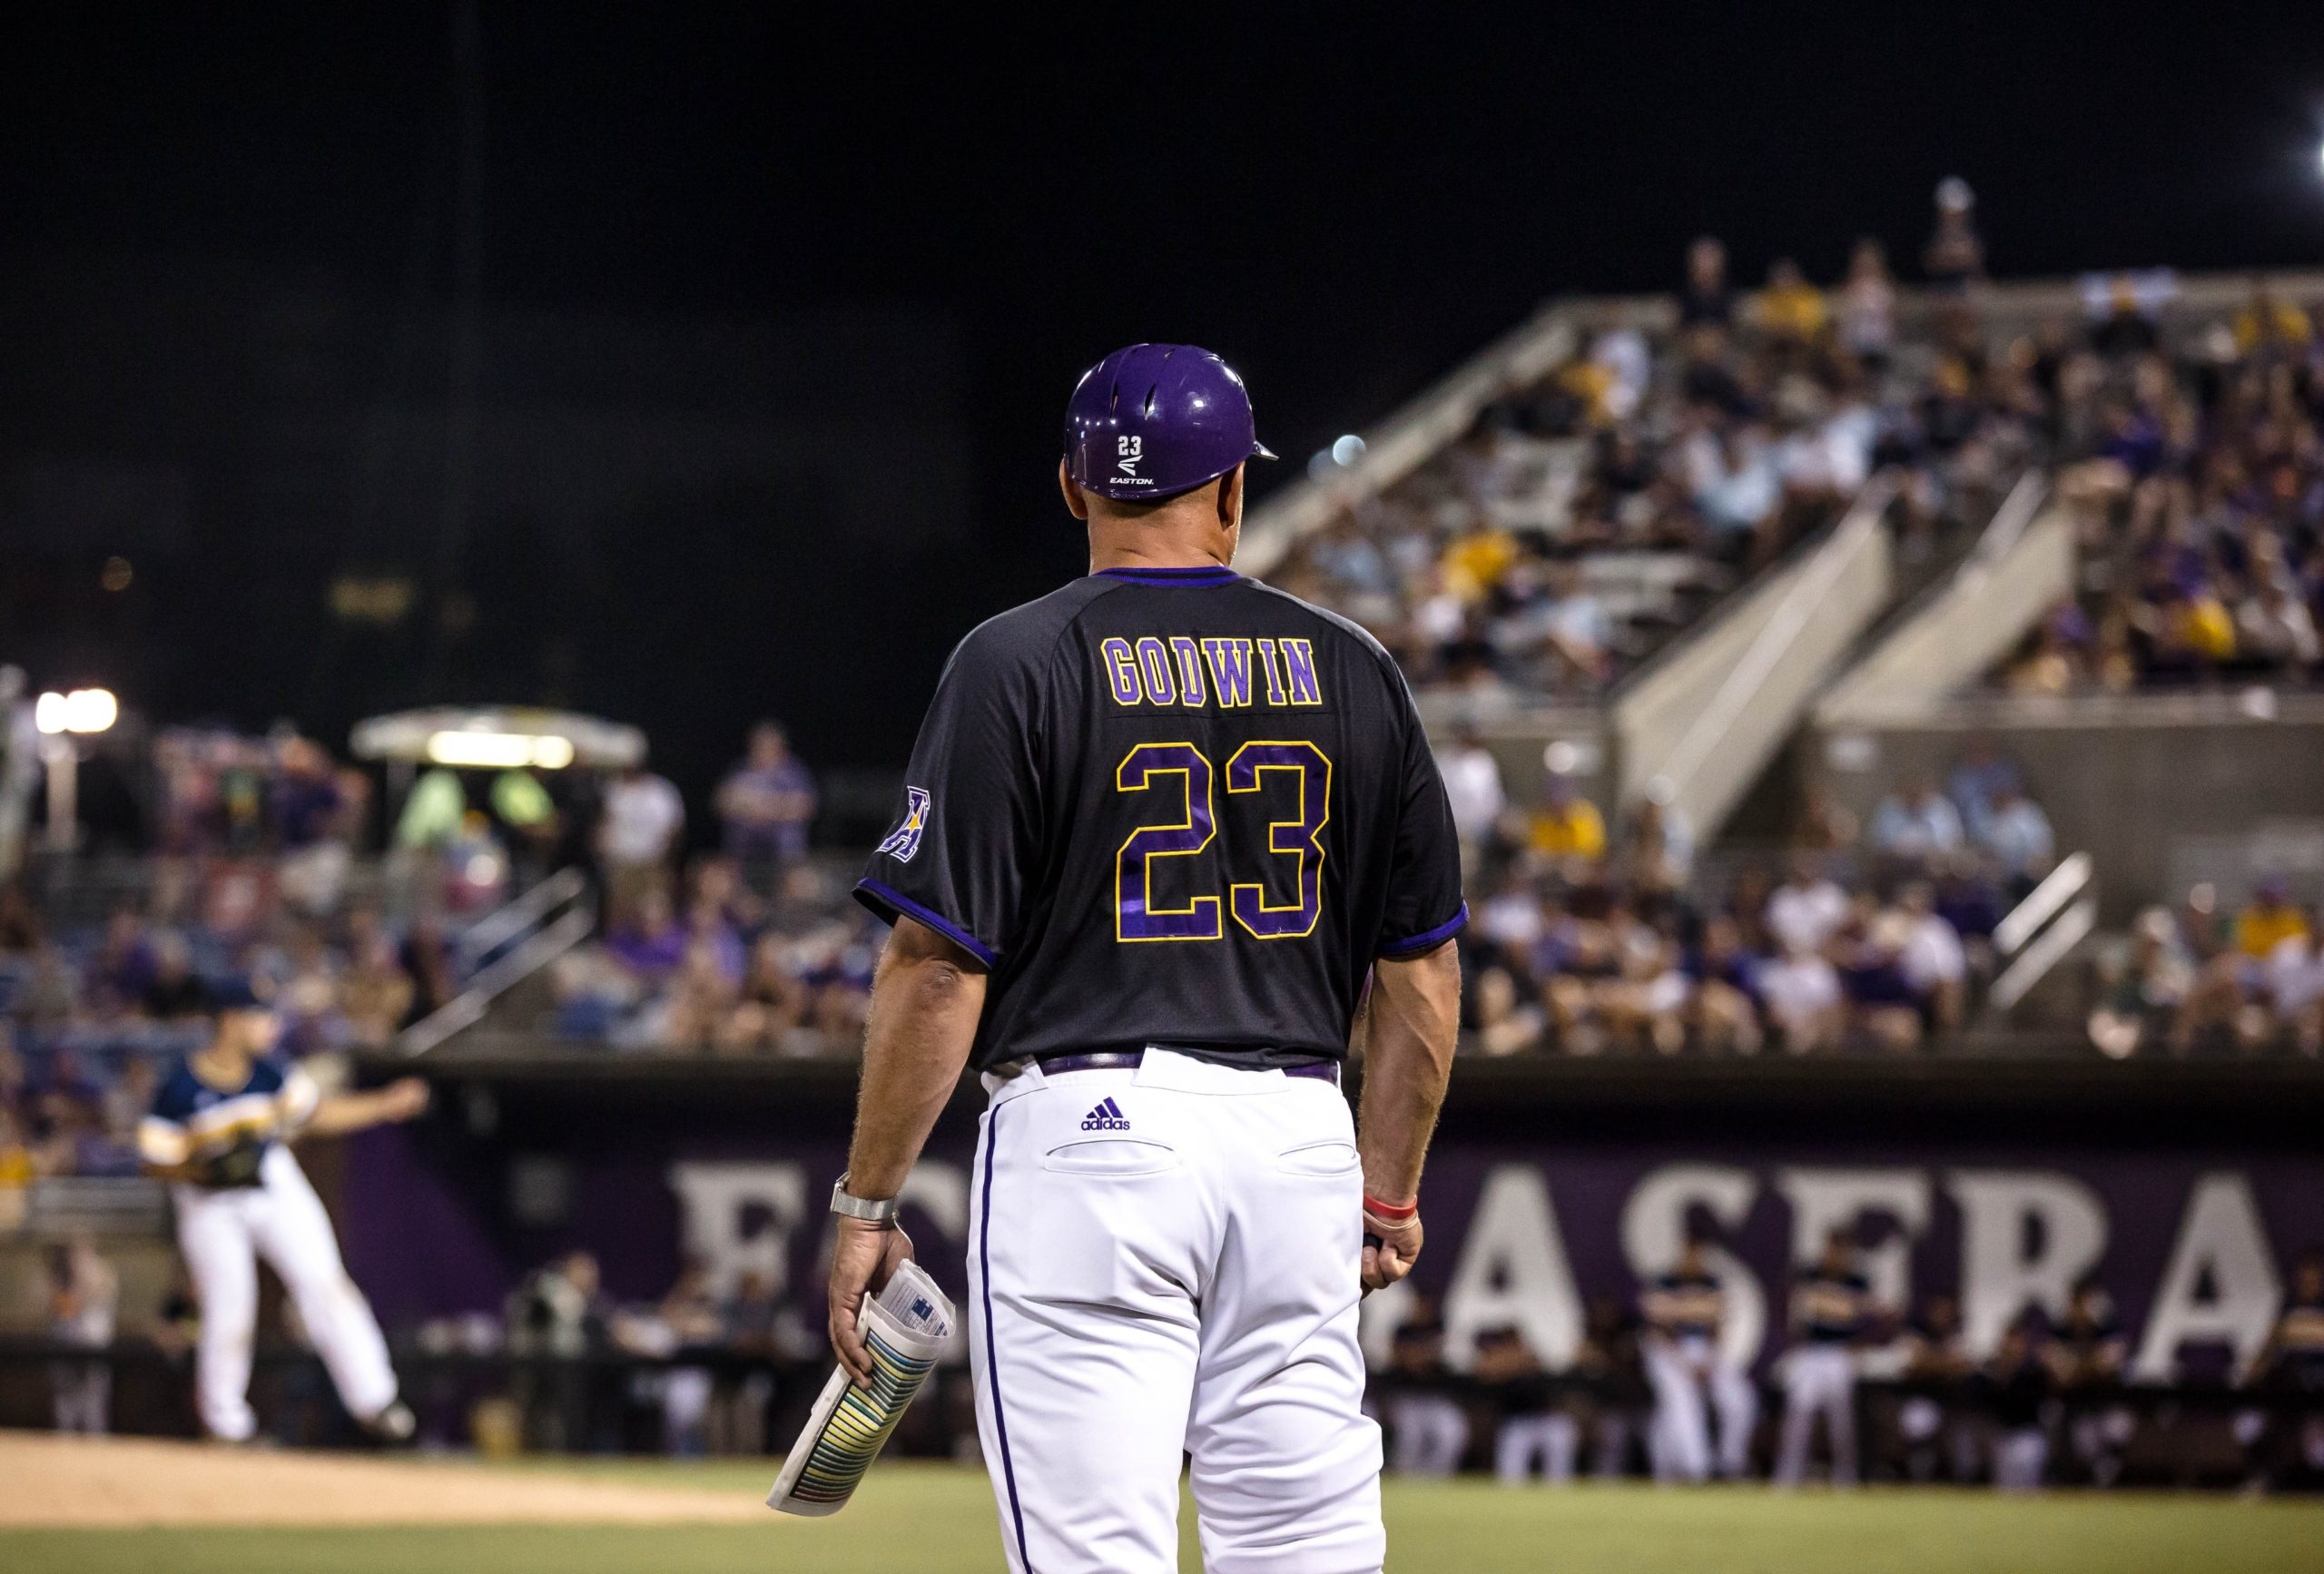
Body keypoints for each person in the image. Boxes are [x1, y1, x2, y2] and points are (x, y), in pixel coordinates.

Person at [823, 344, 1466, 1574]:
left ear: (1074, 487)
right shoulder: (1356, 668)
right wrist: (1383, 1191)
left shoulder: (1012, 659)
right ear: (1231, 490)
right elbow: (1420, 979)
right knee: (1306, 1554)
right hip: (1294, 1142)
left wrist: (867, 1203)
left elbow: (936, 966)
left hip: (1090, 1136)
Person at [137, 979, 429, 1443]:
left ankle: (376, 1401)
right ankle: (225, 1422)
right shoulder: (180, 1087)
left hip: (270, 1182)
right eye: (259, 1016)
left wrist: (384, 1105)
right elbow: (155, 1158)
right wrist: (206, 1168)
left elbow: (315, 1115)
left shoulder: (271, 1075)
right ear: (230, 1021)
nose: (269, 1026)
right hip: (209, 1201)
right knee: (229, 1304)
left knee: (325, 1281)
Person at [1641, 1235, 1757, 1481]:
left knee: (1740, 1400)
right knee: (1683, 1404)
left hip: (1705, 1351)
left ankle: (1731, 1463)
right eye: (1689, 1252)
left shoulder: (1712, 1282)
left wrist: (1709, 1361)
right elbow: (1657, 1328)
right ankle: (1699, 1470)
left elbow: (1718, 1325)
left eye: (1698, 1253)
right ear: (1682, 1252)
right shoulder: (1665, 1282)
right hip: (1669, 1352)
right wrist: (1684, 1363)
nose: (1693, 1259)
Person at [1776, 1228, 1871, 1486]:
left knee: (1841, 1421)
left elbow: (1855, 1315)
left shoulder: (1857, 1280)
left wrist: (1829, 1305)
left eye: (1842, 1249)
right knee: (1799, 1414)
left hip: (1839, 1353)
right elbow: (1802, 1309)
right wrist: (1838, 1306)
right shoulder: (1809, 1273)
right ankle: (1787, 1476)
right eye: (1833, 1248)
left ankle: (1846, 1478)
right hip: (1810, 1352)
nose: (1836, 1255)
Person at [717, 722, 818, 895]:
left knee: (788, 835)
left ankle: (787, 886)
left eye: (767, 744)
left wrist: (766, 809)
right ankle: (741, 894)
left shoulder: (793, 772)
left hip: (780, 839)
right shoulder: (742, 769)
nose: (761, 749)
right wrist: (754, 809)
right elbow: (722, 802)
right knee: (736, 831)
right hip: (747, 840)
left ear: (780, 747)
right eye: (757, 744)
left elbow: (806, 805)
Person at [595, 758, 685, 920]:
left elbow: (675, 828)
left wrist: (667, 862)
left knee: (653, 911)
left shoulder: (661, 791)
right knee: (621, 912)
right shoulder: (614, 788)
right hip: (620, 862)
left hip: (653, 862)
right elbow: (604, 823)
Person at [47, 1235, 118, 1434]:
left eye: (81, 1251)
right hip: (66, 1344)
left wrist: (82, 1276)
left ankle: (95, 1439)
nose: (76, 1257)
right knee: (66, 1395)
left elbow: (91, 1296)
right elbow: (61, 1308)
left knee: (94, 1396)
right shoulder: (63, 1276)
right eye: (73, 1252)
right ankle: (65, 1437)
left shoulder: (103, 1272)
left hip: (95, 1344)